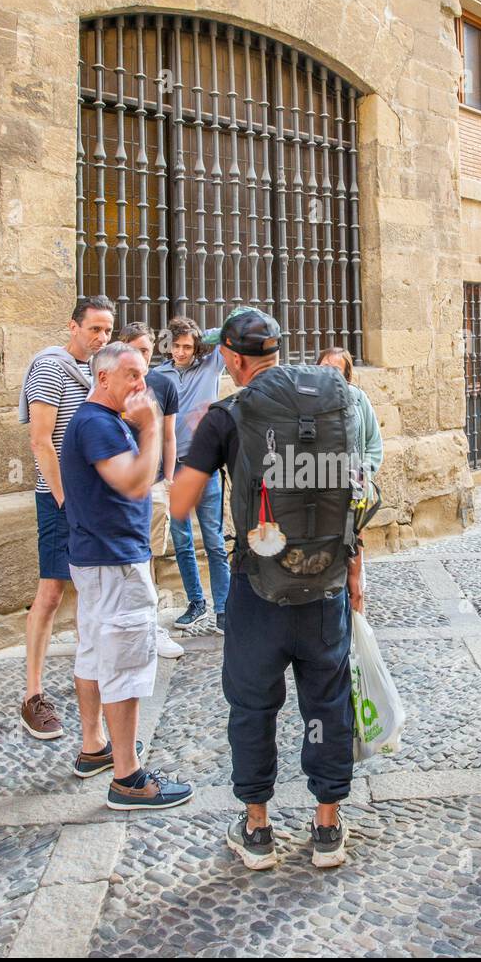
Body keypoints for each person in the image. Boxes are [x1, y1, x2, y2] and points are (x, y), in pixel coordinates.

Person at [170, 307, 364, 870]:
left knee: (252, 705)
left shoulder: (226, 415)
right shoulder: (336, 403)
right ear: (276, 352)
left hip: (258, 587)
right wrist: (353, 571)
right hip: (325, 582)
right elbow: (355, 492)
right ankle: (326, 826)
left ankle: (257, 829)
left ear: (232, 357)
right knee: (326, 701)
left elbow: (182, 504)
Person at [59, 341, 194, 810]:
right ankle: (128, 779)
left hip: (99, 558)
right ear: (103, 379)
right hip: (114, 562)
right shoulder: (98, 423)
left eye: (143, 375)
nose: (143, 386)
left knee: (95, 653)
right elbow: (135, 481)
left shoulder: (101, 421)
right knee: (127, 664)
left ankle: (94, 747)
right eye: (133, 376)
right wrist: (153, 426)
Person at [17, 296, 112, 741]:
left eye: (107, 331)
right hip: (59, 501)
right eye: (94, 328)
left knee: (91, 594)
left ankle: (89, 681)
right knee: (51, 594)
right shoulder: (51, 368)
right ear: (72, 327)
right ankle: (33, 696)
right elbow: (41, 442)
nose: (100, 337)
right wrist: (64, 501)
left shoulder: (95, 373)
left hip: (89, 499)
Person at [158, 316, 231, 635]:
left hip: (206, 466)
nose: (182, 352)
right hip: (174, 468)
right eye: (176, 345)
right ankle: (196, 603)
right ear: (168, 345)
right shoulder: (159, 375)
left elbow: (232, 325)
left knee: (214, 541)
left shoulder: (211, 365)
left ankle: (224, 608)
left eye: (188, 346)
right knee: (182, 540)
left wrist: (202, 338)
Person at [116, 321, 183, 660]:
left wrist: (167, 480)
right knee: (122, 561)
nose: (142, 357)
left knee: (150, 558)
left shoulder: (162, 385)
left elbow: (169, 436)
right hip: (120, 486)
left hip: (154, 486)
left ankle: (151, 628)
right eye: (135, 350)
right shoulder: (112, 386)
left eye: (146, 350)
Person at [317, 347, 384, 476]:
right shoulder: (305, 399)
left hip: (354, 485)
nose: (328, 373)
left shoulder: (357, 398)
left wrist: (362, 474)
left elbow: (374, 443)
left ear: (346, 375)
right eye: (324, 367)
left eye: (336, 370)